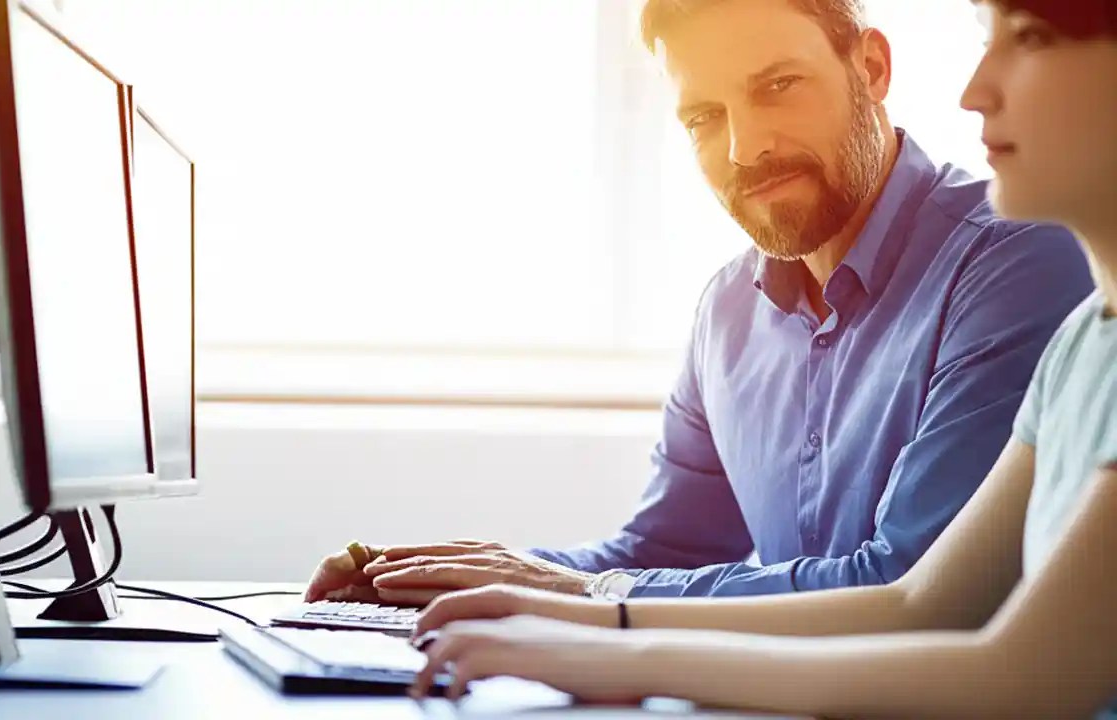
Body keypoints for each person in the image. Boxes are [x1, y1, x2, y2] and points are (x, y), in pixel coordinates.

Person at [409, 0, 1117, 716]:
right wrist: (467, 579)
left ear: (870, 68)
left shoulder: (1017, 263)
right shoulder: (728, 311)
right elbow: (663, 553)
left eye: (778, 85)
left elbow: (943, 615)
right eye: (702, 118)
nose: (746, 148)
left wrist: (605, 627)